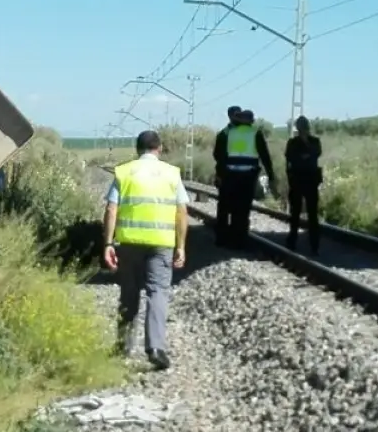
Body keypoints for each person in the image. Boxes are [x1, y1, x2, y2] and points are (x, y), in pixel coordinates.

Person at [103, 129, 190, 372]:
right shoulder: (171, 174)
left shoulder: (124, 172)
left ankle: (122, 346)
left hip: (129, 242)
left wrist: (108, 243)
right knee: (158, 292)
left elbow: (111, 209)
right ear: (159, 148)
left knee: (129, 292)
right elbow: (182, 212)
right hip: (161, 243)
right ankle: (156, 347)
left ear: (137, 148)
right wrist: (181, 246)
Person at [211, 107, 274, 248]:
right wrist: (271, 174)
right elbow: (265, 155)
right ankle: (239, 240)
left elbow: (218, 155)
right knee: (243, 210)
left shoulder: (227, 133)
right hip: (248, 176)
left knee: (226, 207)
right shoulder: (255, 133)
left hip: (229, 176)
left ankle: (222, 239)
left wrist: (220, 173)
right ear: (251, 121)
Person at [284, 115, 323, 254]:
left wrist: (303, 152)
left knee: (309, 214)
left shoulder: (313, 141)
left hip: (308, 180)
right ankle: (295, 241)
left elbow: (315, 153)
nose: (302, 130)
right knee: (297, 212)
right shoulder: (294, 142)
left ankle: (312, 244)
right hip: (300, 180)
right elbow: (291, 156)